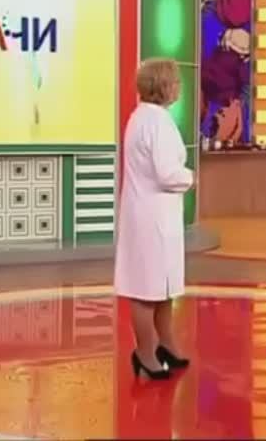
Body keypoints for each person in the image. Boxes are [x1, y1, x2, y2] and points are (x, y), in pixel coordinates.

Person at [115, 58, 195, 379]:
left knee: (162, 286)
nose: (178, 87)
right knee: (147, 288)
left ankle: (168, 346)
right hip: (153, 216)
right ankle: (145, 353)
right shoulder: (157, 122)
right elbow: (166, 173)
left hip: (152, 213)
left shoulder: (142, 117)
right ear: (163, 86)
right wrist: (190, 178)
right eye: (175, 82)